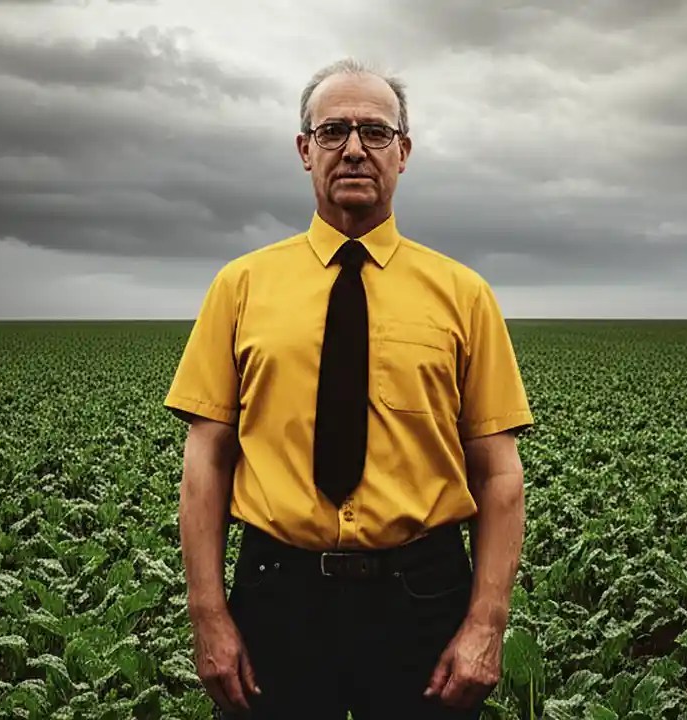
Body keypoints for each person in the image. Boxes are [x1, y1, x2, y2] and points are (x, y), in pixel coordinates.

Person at [164, 57, 534, 719]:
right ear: (305, 151)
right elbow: (207, 460)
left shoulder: (464, 295)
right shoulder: (240, 287)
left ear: (405, 152)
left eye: (376, 132)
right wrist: (208, 616)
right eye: (333, 131)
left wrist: (486, 625)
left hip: (423, 600)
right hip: (278, 597)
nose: (355, 149)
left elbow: (500, 474)